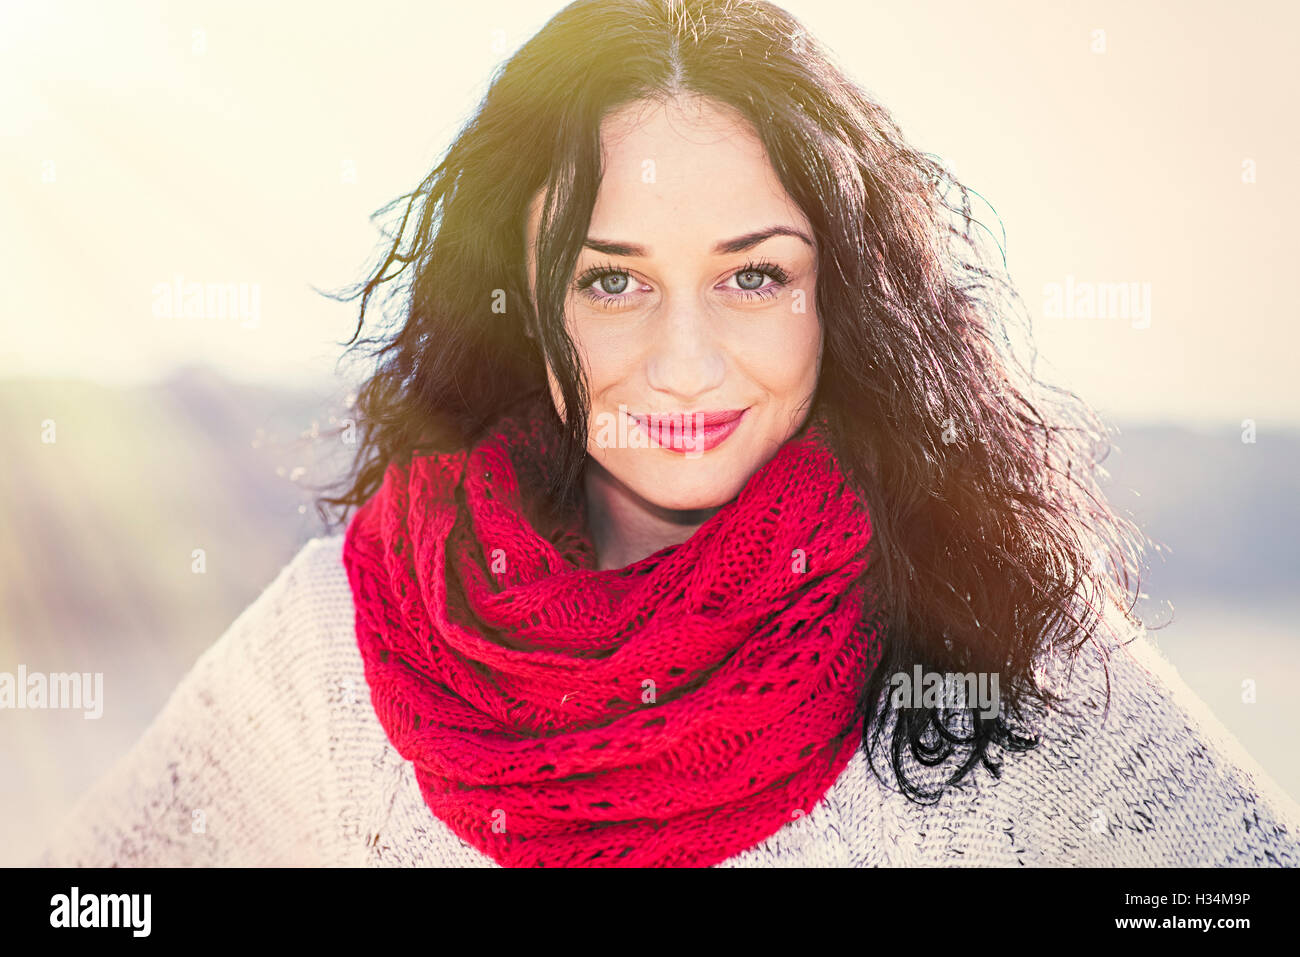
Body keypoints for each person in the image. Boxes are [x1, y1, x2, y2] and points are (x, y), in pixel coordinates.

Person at [33, 0, 1300, 867]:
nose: (683, 362)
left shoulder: (1003, 632)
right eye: (611, 280)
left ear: (842, 296)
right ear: (522, 305)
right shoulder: (339, 644)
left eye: (752, 277)